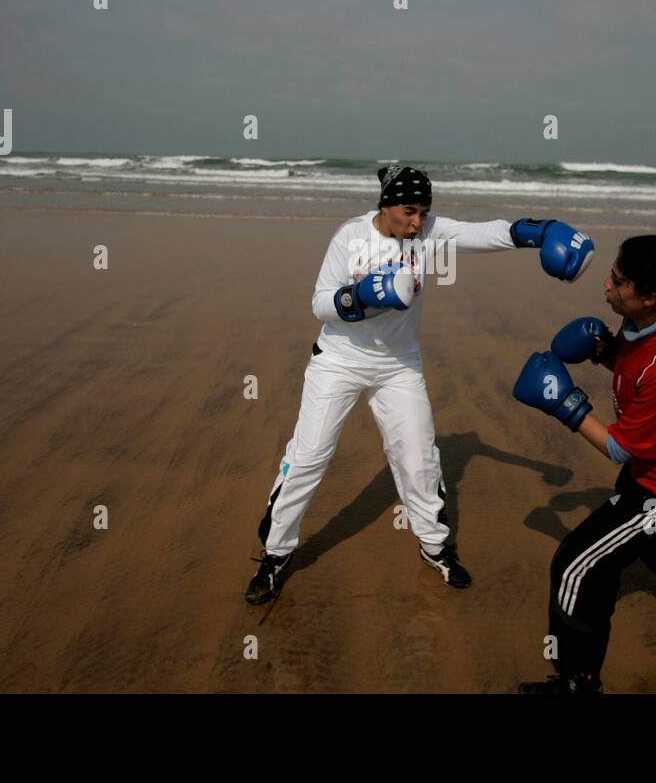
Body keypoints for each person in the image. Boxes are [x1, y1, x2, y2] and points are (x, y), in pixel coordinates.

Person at [245, 164, 596, 604]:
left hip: (398, 367)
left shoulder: (427, 233)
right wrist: (362, 296)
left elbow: (482, 233)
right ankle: (276, 553)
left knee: (418, 460)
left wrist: (539, 232)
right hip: (339, 362)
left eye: (424, 212)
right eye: (409, 211)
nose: (416, 222)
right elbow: (320, 304)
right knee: (309, 458)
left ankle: (435, 547)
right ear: (386, 205)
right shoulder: (349, 237)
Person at [511, 234, 656, 694]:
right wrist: (604, 352)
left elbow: (622, 448)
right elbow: (637, 370)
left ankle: (577, 682)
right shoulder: (647, 325)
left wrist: (565, 404)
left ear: (649, 296)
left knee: (577, 567)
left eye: (619, 280)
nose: (606, 286)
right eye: (612, 273)